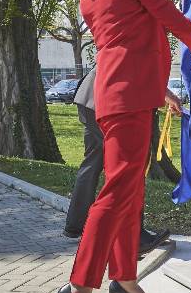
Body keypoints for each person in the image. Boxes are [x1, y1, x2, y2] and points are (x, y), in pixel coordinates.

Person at [49, 0, 191, 293]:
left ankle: (124, 278)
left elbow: (131, 45)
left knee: (130, 189)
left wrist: (163, 91)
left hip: (120, 95)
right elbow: (174, 21)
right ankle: (80, 285)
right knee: (118, 189)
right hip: (129, 100)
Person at [62, 65, 172, 255]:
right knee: (128, 168)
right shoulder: (148, 36)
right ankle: (133, 236)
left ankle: (76, 225)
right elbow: (142, 71)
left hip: (91, 97)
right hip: (109, 102)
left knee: (93, 163)